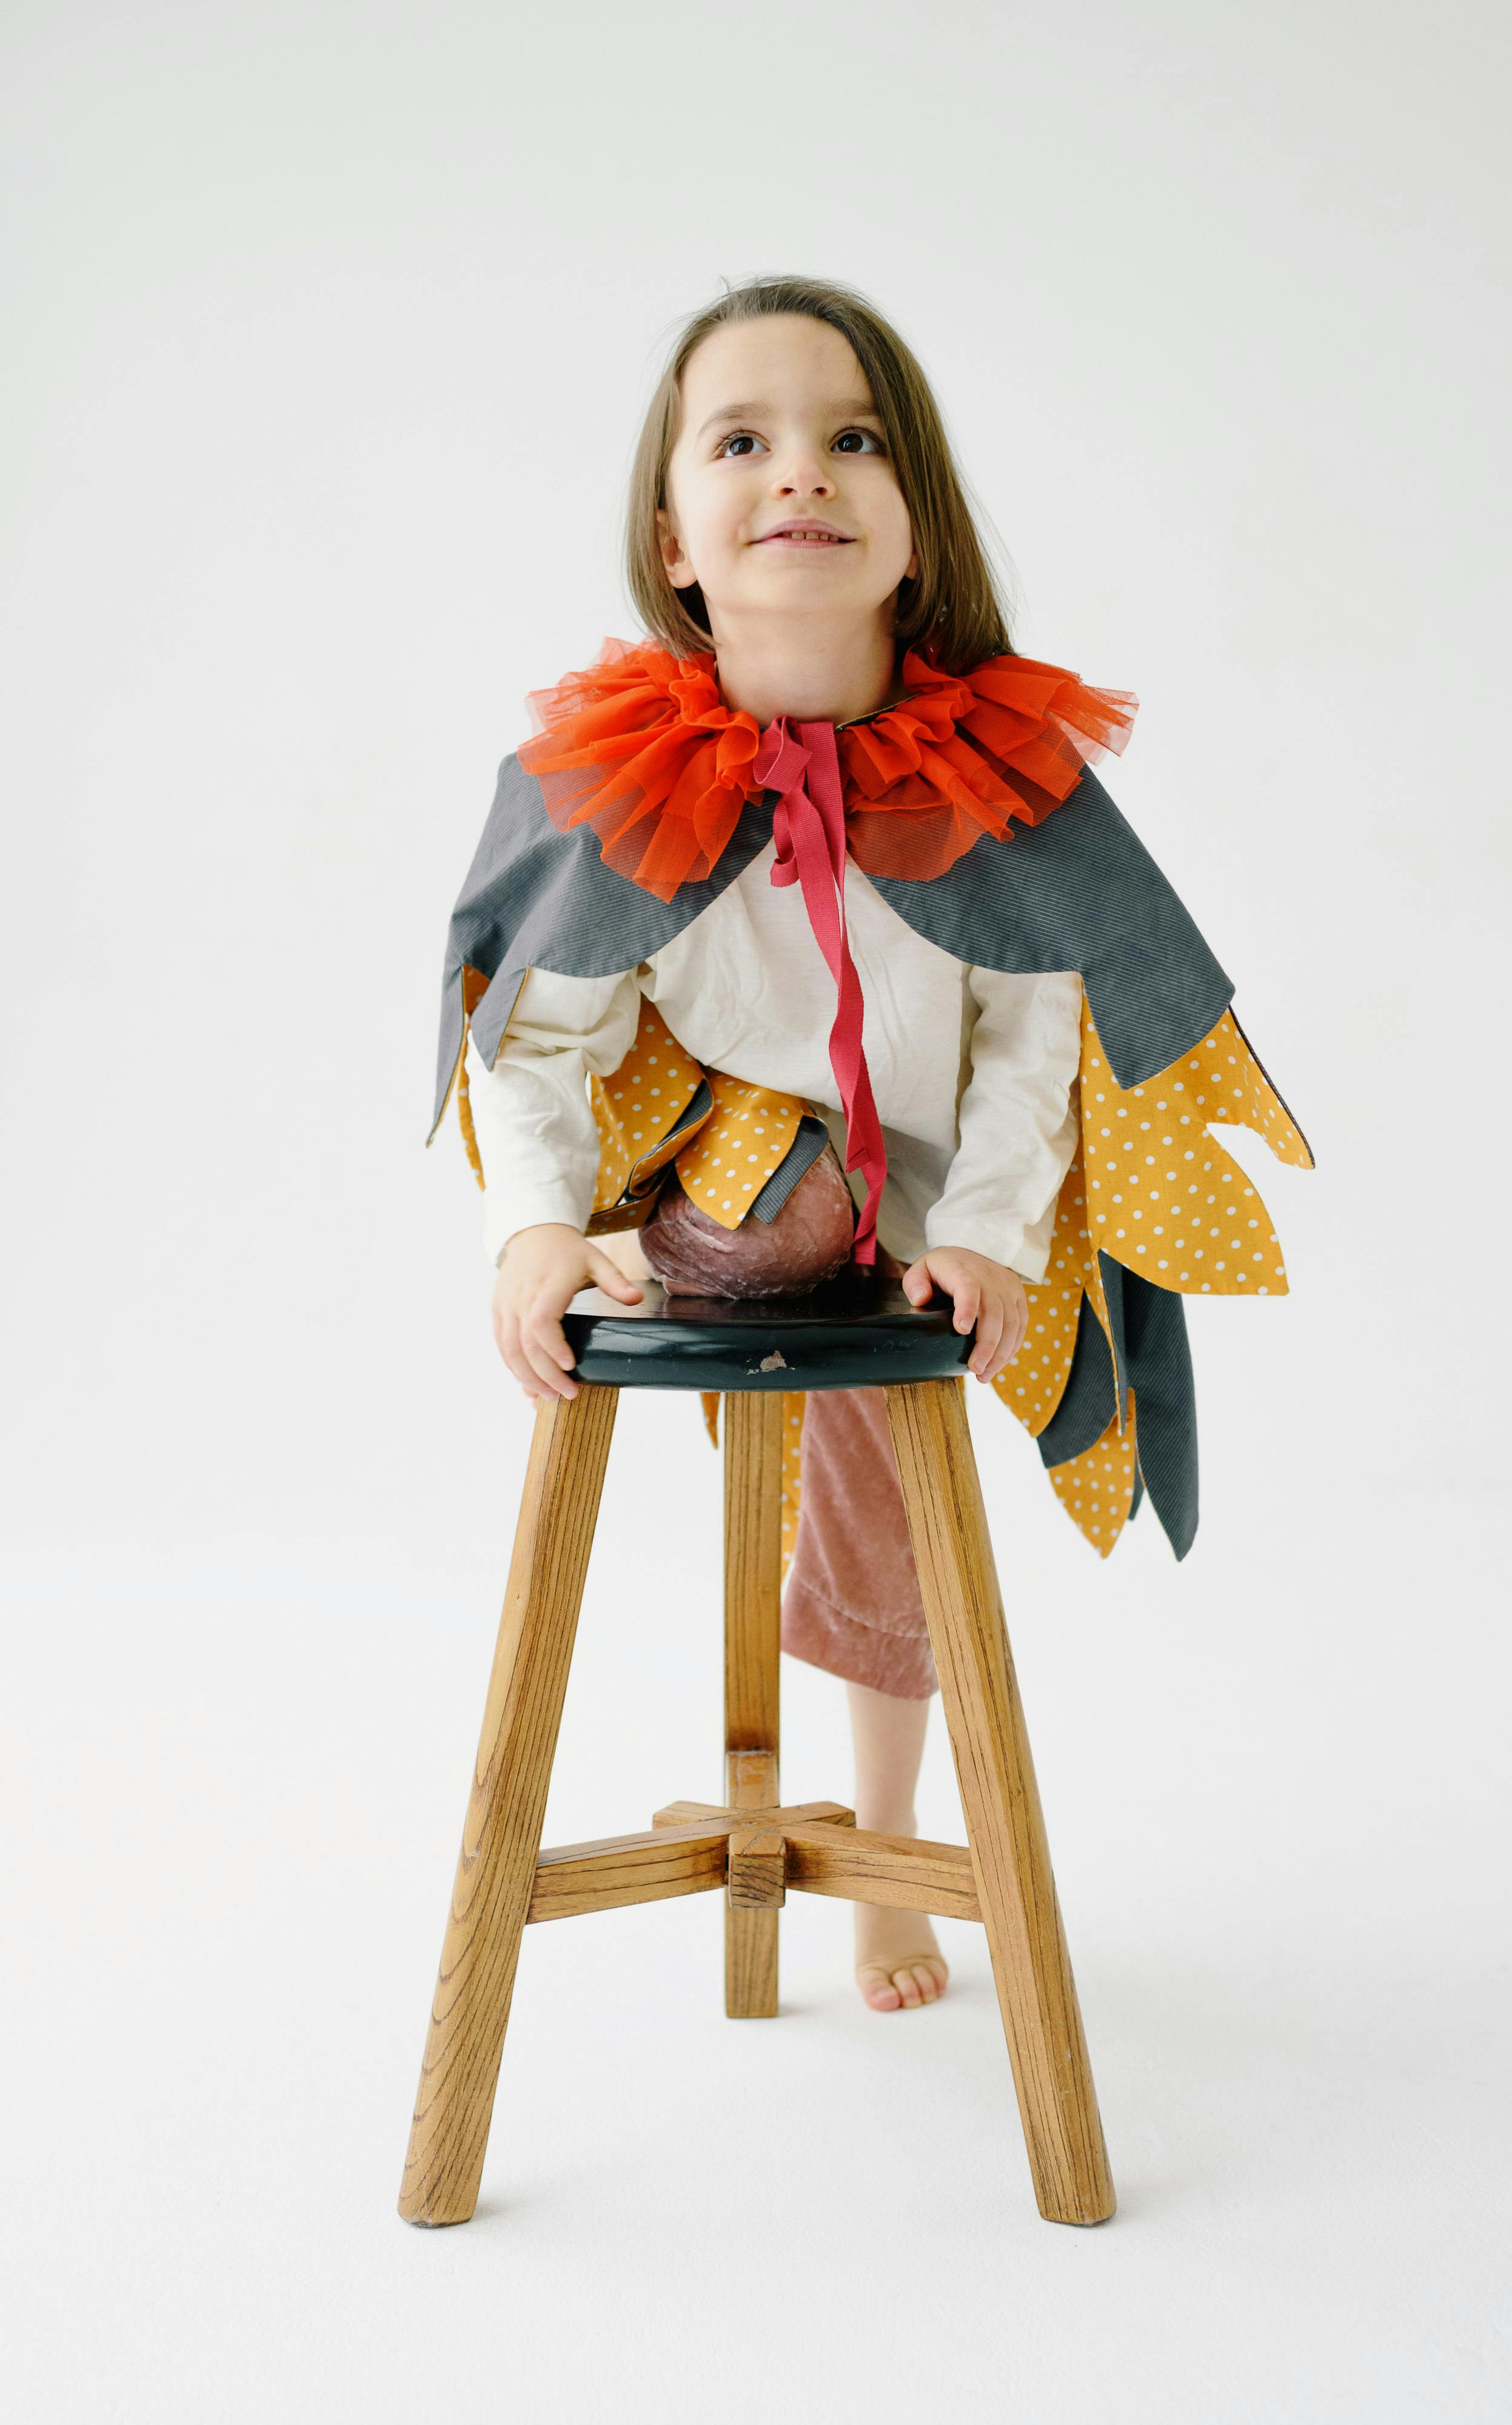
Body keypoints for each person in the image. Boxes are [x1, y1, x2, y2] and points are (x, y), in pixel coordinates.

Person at [432, 275, 1309, 2015]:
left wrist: (982, 1234)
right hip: (727, 1151)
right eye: (740, 441)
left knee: (883, 1490)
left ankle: (888, 1846)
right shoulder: (634, 770)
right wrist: (537, 1229)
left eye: (851, 439)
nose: (798, 476)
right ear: (674, 536)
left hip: (928, 1185)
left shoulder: (990, 765)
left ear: (914, 523)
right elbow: (541, 1029)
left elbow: (1034, 1035)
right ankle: (722, 1255)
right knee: (784, 1194)